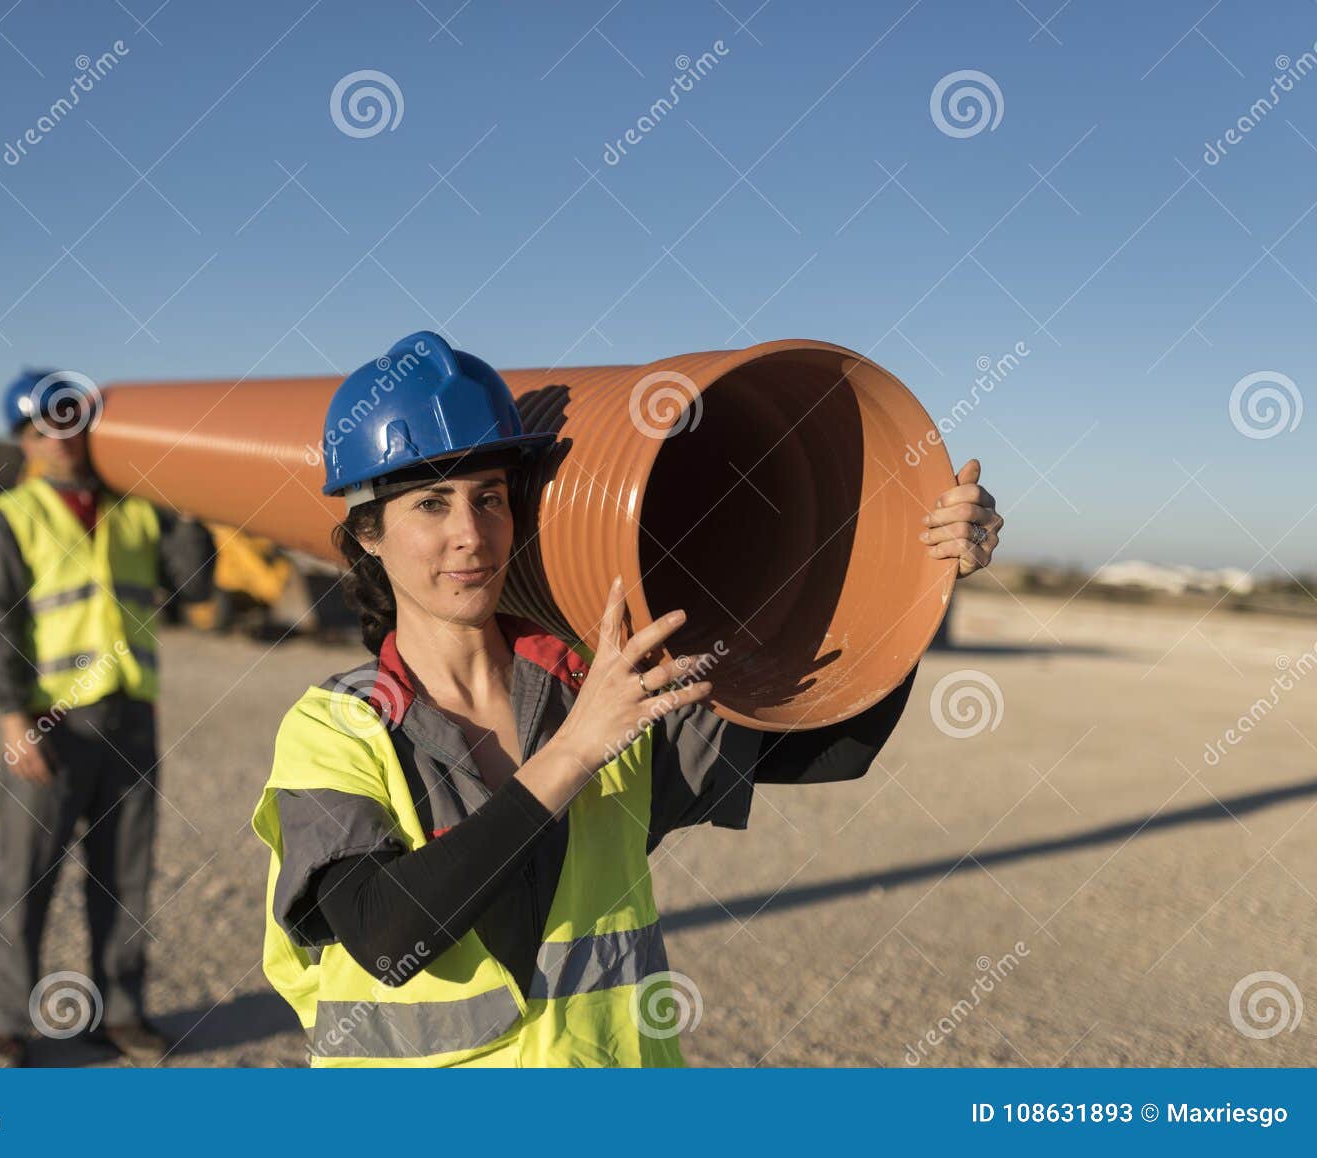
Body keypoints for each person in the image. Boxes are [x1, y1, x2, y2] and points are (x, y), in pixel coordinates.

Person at [250, 332, 1002, 1067]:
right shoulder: (340, 727)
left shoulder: (598, 685)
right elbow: (386, 936)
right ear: (368, 531)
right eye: (431, 505)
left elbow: (834, 750)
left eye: (490, 498)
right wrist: (576, 749)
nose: (471, 534)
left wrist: (914, 579)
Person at [0, 369, 215, 1066]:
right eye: (44, 428)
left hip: (132, 717)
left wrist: (188, 506)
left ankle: (121, 1013)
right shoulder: (11, 518)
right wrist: (12, 720)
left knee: (125, 880)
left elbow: (196, 586)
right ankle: (5, 1021)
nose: (61, 439)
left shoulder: (140, 510)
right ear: (24, 439)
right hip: (51, 724)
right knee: (26, 877)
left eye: (70, 424)